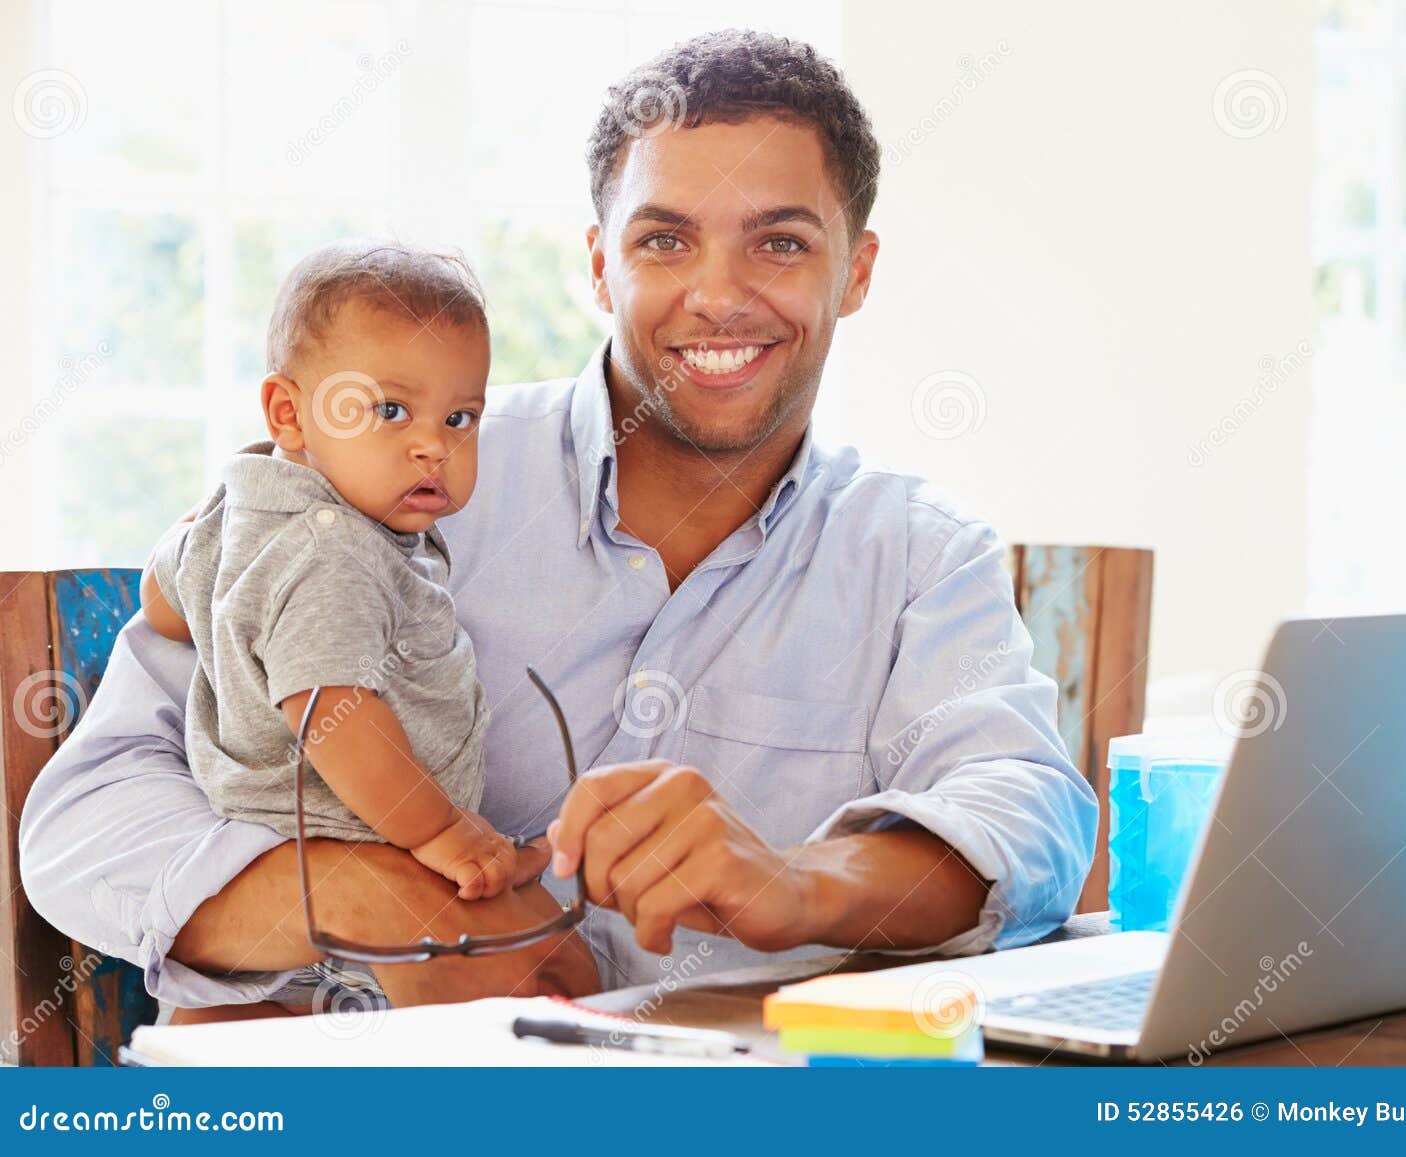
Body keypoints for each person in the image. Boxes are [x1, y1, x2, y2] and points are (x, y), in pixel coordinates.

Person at [20, 28, 1097, 1018]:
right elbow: (87, 821)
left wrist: (798, 878)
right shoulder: (377, 483)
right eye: (665, 240)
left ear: (855, 270)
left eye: (778, 243)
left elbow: (1031, 813)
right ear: (597, 263)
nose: (717, 296)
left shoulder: (919, 552)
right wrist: (389, 897)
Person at [134, 242, 602, 1016]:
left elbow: (160, 599)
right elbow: (333, 713)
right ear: (288, 412)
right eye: (390, 409)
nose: (434, 444)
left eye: (460, 417)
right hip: (353, 849)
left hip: (275, 863)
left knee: (231, 1029)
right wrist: (442, 831)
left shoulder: (241, 505)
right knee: (564, 975)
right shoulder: (333, 549)